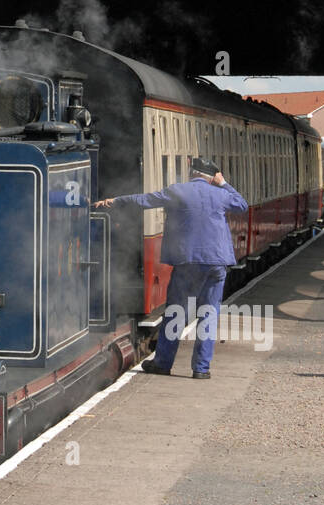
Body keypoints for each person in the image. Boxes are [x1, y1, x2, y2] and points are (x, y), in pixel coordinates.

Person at [94, 157, 249, 379]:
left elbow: (145, 200)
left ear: (192, 173)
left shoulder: (179, 191)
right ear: (210, 177)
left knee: (176, 313)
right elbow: (242, 204)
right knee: (209, 313)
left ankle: (163, 363)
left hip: (188, 261)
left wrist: (115, 201)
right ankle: (201, 369)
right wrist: (223, 183)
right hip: (216, 262)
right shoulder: (221, 193)